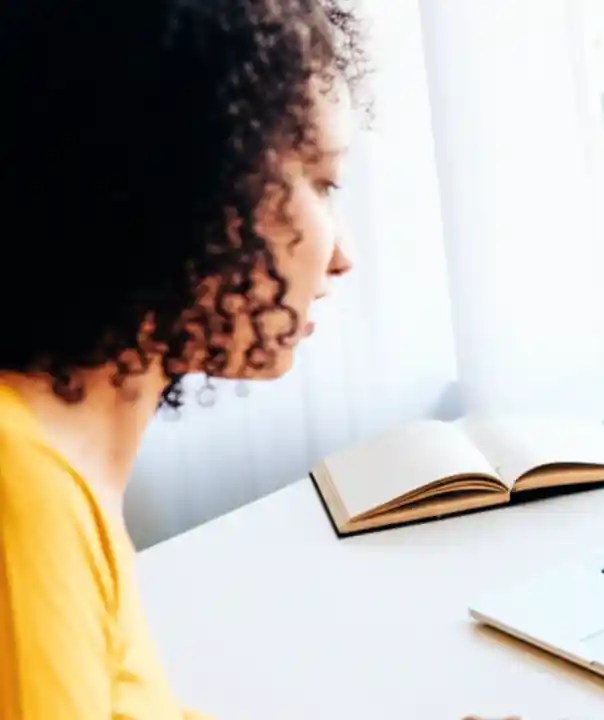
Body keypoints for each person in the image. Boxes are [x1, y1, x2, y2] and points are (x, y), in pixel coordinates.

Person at [0, 2, 369, 717]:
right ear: (190, 183)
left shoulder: (56, 463)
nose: (343, 256)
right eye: (321, 183)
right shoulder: (21, 495)